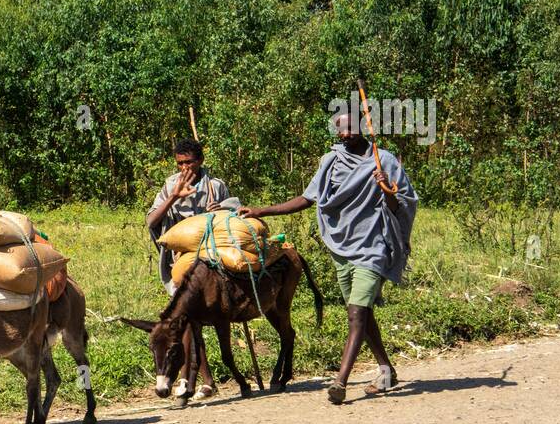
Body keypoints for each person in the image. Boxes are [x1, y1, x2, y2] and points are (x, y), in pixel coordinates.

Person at [240, 111, 418, 404]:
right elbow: (308, 199)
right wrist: (262, 210)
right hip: (341, 248)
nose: (345, 135)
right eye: (340, 130)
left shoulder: (382, 160)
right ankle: (386, 369)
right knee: (362, 310)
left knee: (356, 312)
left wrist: (385, 186)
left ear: (363, 129)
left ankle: (340, 381)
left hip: (374, 246)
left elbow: (400, 204)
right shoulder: (331, 161)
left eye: (350, 129)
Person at [145, 137, 229, 400]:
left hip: (208, 263)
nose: (185, 168)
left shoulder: (215, 186)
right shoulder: (171, 184)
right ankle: (196, 379)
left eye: (190, 162)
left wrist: (220, 210)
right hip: (180, 263)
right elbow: (151, 221)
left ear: (200, 161)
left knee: (195, 322)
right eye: (180, 163)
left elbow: (231, 220)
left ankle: (197, 379)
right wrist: (173, 198)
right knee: (185, 323)